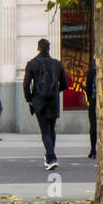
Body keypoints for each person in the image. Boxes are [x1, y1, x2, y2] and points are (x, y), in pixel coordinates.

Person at [23, 37, 68, 170]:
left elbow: (26, 84)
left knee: (44, 130)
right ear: (49, 49)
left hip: (39, 101)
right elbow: (64, 85)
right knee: (51, 128)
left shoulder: (32, 64)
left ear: (38, 48)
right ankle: (50, 157)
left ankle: (51, 157)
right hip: (53, 101)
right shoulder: (57, 64)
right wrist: (54, 91)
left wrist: (29, 98)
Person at [86, 61, 98, 159]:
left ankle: (93, 149)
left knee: (93, 127)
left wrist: (90, 100)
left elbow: (88, 88)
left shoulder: (92, 72)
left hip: (94, 101)